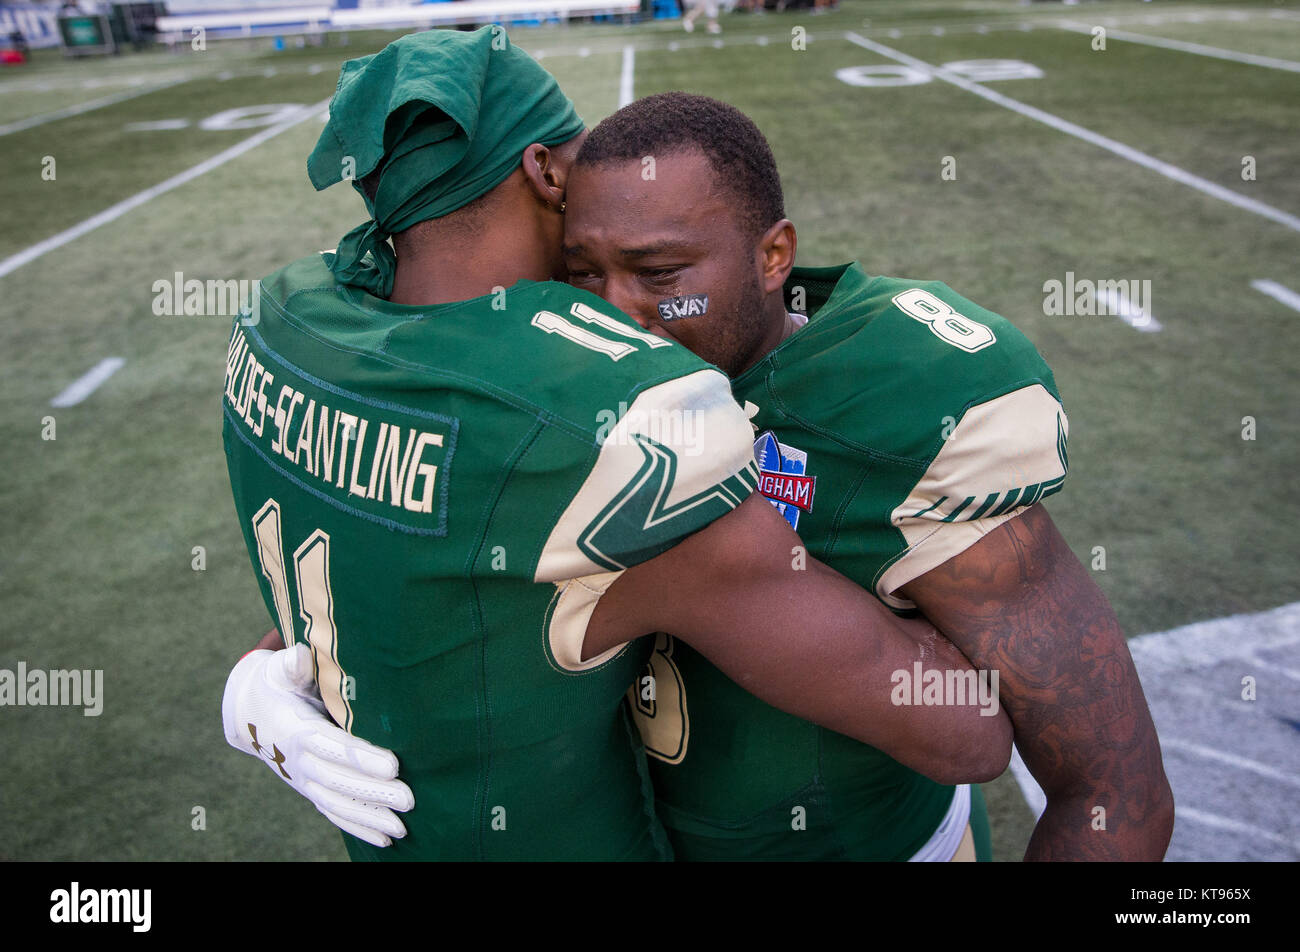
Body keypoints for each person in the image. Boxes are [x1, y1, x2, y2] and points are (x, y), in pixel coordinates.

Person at [221, 29, 1011, 861]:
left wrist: (250, 689)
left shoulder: (286, 321)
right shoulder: (598, 419)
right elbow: (969, 736)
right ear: (544, 172)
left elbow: (384, 553)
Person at [558, 92, 1173, 860]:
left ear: (773, 256)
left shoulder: (897, 402)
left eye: (658, 272)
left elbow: (1113, 790)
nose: (613, 313)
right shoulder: (563, 371)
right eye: (583, 273)